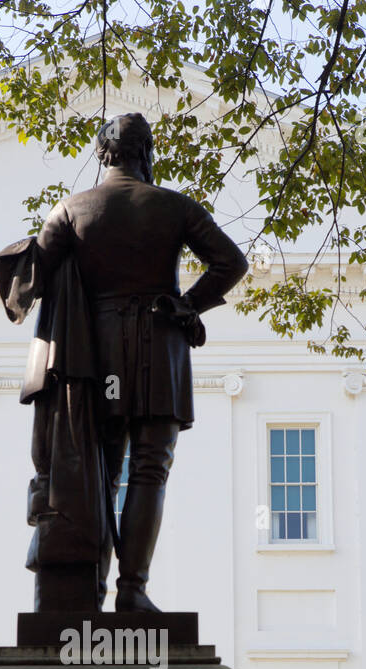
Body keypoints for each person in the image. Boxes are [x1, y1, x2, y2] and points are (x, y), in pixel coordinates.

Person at [34, 112, 249, 611]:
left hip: (99, 356)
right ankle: (133, 591)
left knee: (101, 472)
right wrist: (189, 303)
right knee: (151, 469)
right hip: (159, 346)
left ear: (102, 153)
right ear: (146, 153)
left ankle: (91, 589)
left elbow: (34, 275)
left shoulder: (71, 209)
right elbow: (231, 263)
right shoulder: (173, 206)